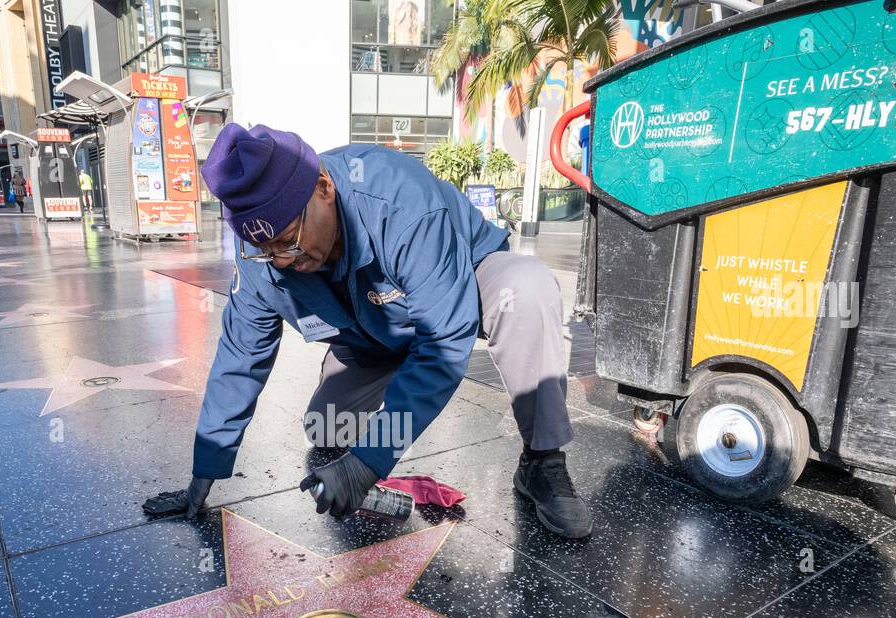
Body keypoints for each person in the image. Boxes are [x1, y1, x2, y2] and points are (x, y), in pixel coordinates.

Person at [178, 124, 590, 538]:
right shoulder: (261, 252)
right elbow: (240, 354)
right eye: (265, 252)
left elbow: (443, 343)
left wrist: (368, 462)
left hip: (459, 287)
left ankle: (543, 460)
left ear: (324, 188)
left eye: (288, 242)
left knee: (526, 288)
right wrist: (206, 466)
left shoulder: (402, 202)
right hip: (370, 335)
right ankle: (360, 364)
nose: (281, 262)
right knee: (325, 428)